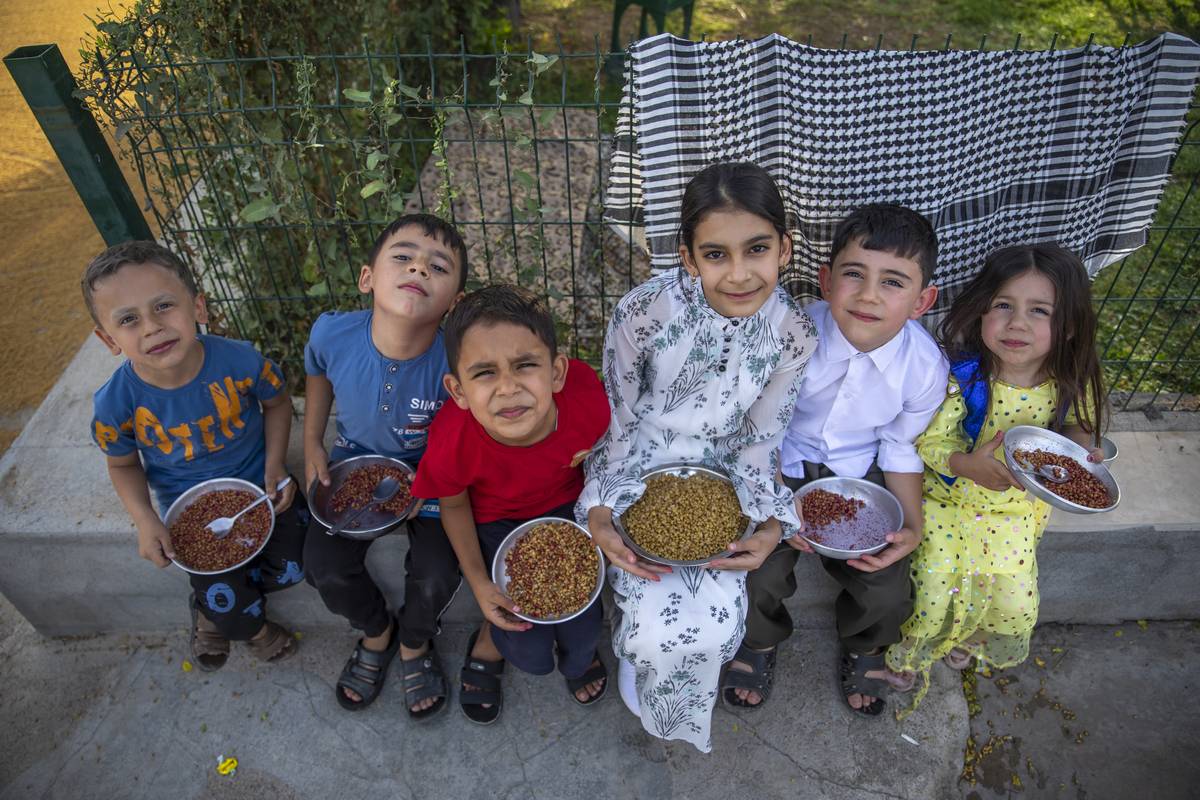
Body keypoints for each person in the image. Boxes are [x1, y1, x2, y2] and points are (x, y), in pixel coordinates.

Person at [578, 161, 818, 752]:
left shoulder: (793, 332)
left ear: (784, 249)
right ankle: (639, 663)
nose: (739, 274)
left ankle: (680, 687)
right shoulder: (643, 313)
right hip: (636, 466)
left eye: (756, 249)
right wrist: (601, 510)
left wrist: (767, 527)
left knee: (711, 621)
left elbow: (762, 438)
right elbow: (618, 416)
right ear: (687, 257)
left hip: (727, 475)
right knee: (650, 615)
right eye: (716, 255)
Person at [722, 204, 947, 717]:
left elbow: (899, 446)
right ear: (825, 281)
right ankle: (758, 641)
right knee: (757, 565)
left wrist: (909, 525)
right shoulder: (789, 336)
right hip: (781, 462)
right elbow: (761, 429)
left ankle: (866, 645)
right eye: (854, 274)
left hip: (861, 472)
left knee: (888, 578)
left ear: (921, 300)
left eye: (893, 282)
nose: (869, 295)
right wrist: (777, 510)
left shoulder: (924, 367)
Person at [884, 243, 1107, 715]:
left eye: (1038, 311)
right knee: (933, 586)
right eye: (1003, 305)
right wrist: (968, 464)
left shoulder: (1068, 380)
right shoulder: (963, 377)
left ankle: (966, 634)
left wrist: (1079, 447)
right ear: (981, 309)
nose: (1017, 323)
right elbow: (929, 444)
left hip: (1018, 509)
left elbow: (1078, 427)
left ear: (1067, 326)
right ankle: (917, 651)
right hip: (951, 500)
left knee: (1012, 596)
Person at [86, 240, 306, 671]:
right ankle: (242, 625)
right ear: (108, 339)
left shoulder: (240, 361)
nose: (151, 327)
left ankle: (215, 602)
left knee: (297, 568)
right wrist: (145, 520)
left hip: (260, 490)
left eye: (164, 306)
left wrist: (275, 464)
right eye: (129, 320)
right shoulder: (116, 404)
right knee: (227, 600)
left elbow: (278, 403)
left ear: (198, 308)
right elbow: (122, 463)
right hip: (187, 516)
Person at [411, 285, 612, 724]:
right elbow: (455, 506)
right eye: (484, 373)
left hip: (570, 512)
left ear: (556, 372)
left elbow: (604, 459)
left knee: (584, 630)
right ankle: (489, 635)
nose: (508, 388)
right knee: (527, 648)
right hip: (497, 523)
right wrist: (480, 583)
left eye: (525, 365)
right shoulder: (451, 442)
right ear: (458, 390)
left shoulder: (587, 401)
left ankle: (578, 663)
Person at [303, 213, 465, 717]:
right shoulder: (332, 334)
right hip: (354, 462)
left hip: (433, 478)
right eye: (403, 257)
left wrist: (432, 481)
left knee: (439, 572)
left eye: (438, 265)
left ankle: (415, 640)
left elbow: (466, 429)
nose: (419, 268)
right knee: (323, 568)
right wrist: (312, 442)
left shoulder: (456, 360)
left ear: (454, 302)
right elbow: (317, 373)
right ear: (367, 277)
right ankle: (377, 630)